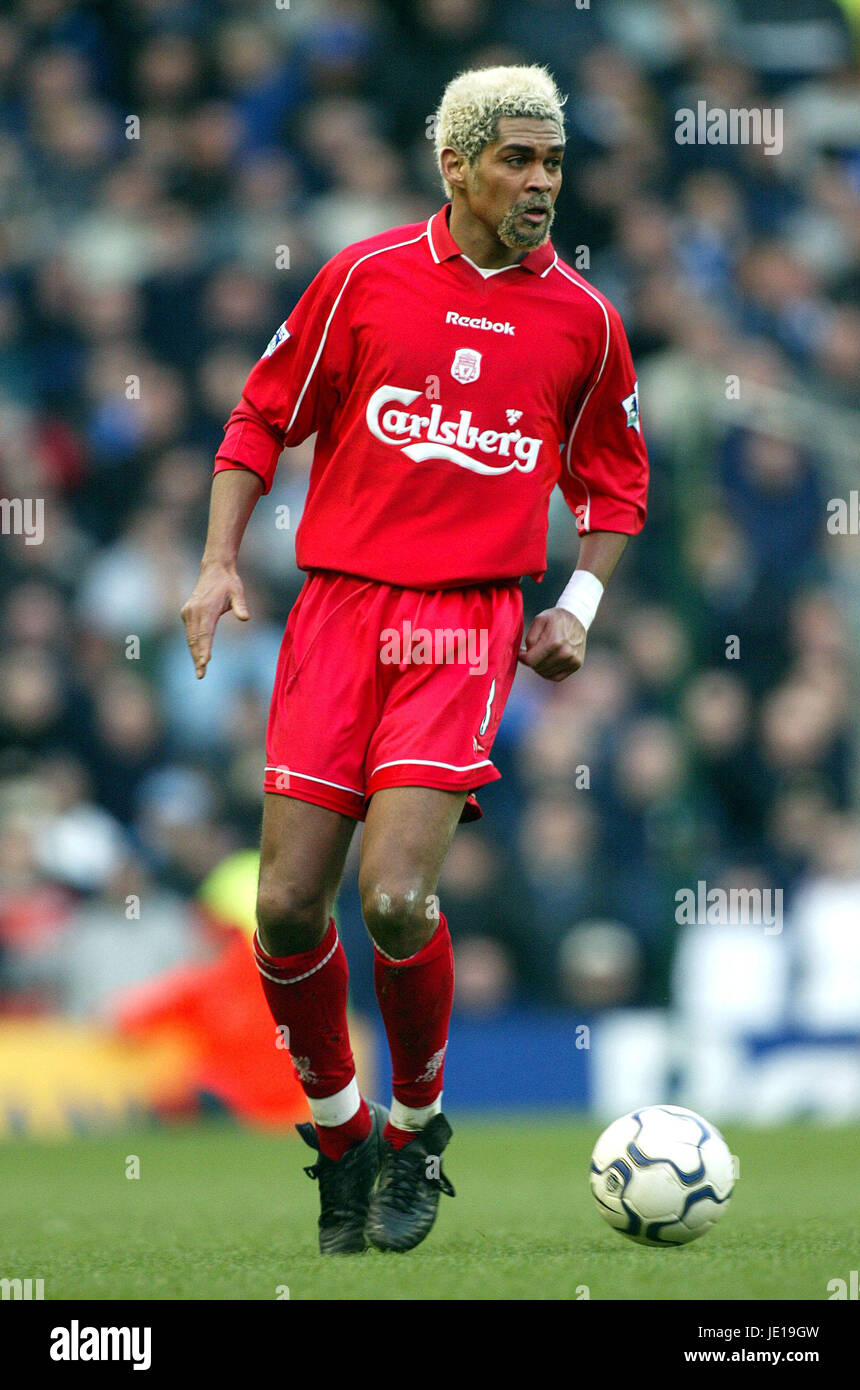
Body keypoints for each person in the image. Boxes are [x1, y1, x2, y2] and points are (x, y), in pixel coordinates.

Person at [181, 64, 648, 1255]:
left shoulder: (585, 322)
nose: (540, 182)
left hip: (464, 626)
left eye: (552, 161)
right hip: (336, 614)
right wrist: (216, 562)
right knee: (286, 908)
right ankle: (339, 1141)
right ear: (455, 163)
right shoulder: (363, 278)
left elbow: (615, 484)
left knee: (392, 897)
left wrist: (578, 605)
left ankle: (416, 1128)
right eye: (517, 160)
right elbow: (257, 417)